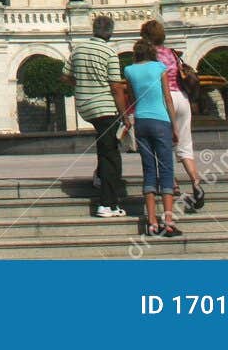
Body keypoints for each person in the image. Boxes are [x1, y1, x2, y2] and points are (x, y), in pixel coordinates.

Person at [67, 13, 130, 219]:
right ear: (110, 33)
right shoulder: (109, 53)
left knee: (106, 147)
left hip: (85, 106)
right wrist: (124, 114)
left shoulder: (78, 50)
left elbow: (65, 75)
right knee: (112, 155)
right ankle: (107, 204)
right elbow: (115, 88)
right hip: (104, 108)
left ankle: (99, 177)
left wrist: (82, 86)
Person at [139, 19, 203, 212]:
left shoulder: (149, 56)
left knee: (162, 144)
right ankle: (196, 182)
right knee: (185, 145)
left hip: (164, 101)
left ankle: (172, 183)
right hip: (183, 99)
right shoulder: (173, 53)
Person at [124, 38, 180, 238]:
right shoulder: (159, 67)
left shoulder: (129, 70)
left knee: (148, 170)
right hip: (160, 121)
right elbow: (167, 97)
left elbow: (132, 97)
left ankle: (151, 222)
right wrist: (175, 126)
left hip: (141, 122)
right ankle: (168, 221)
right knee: (166, 169)